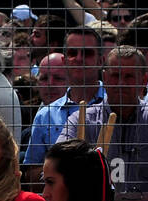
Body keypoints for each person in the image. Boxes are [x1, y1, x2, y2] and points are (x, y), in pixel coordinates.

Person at [60, 46, 148, 195]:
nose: (121, 83)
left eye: (129, 76)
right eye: (115, 75)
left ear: (143, 80)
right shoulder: (81, 120)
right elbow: (56, 166)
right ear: (104, 78)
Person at [22, 25, 106, 171]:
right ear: (65, 60)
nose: (79, 58)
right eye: (73, 53)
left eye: (87, 53)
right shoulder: (45, 115)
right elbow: (31, 171)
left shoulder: (117, 106)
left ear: (101, 61)